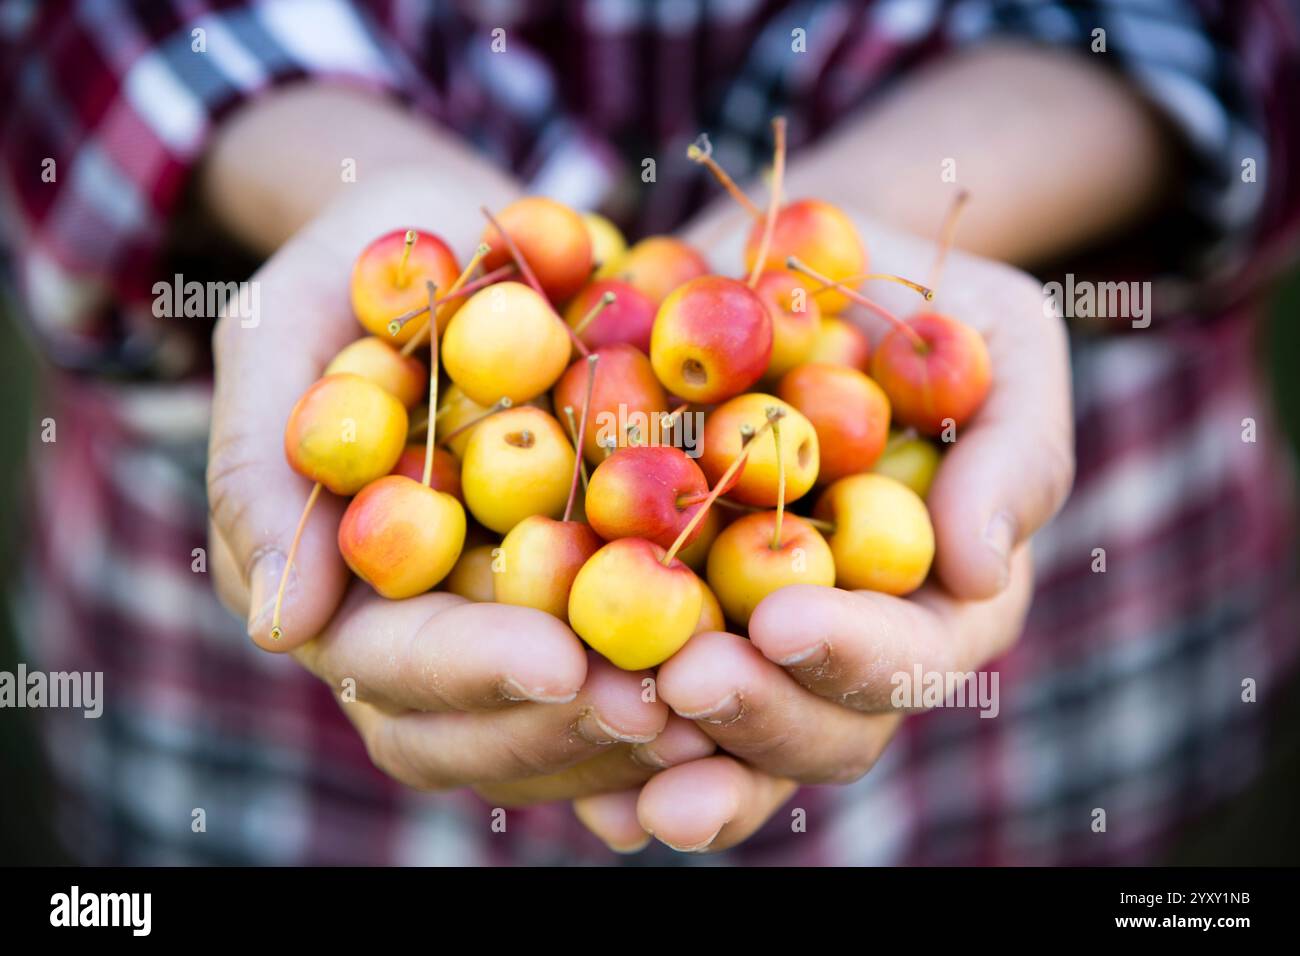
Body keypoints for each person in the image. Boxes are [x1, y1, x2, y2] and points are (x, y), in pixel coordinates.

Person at [2, 0, 1295, 864]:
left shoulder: (776, 415)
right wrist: (301, 159)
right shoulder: (464, 381)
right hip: (254, 756)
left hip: (1061, 703)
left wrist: (922, 187)